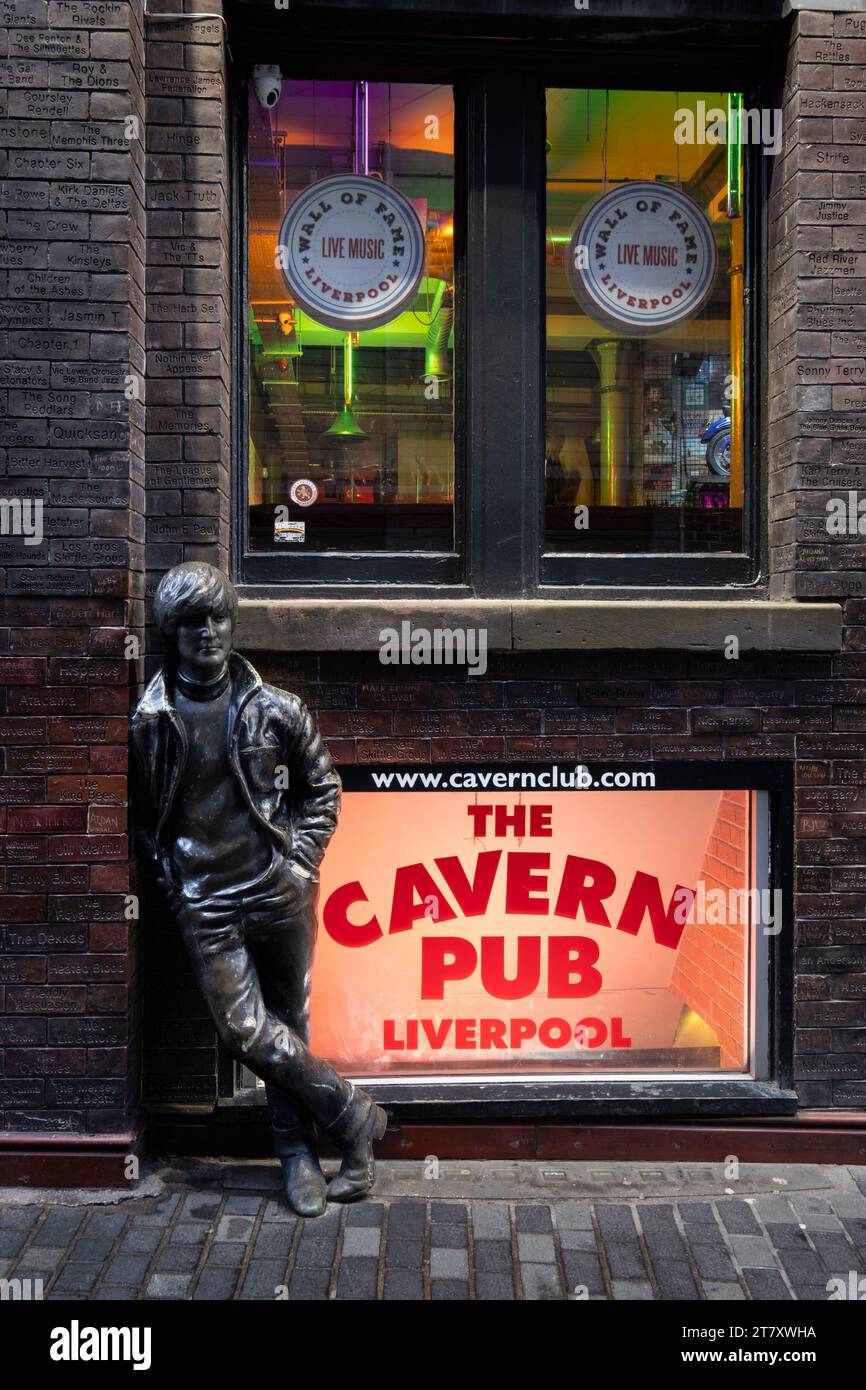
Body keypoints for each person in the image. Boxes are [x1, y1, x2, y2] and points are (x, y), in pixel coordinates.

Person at [130, 561, 387, 1217]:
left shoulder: (277, 709)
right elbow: (145, 820)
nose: (208, 632)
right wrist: (174, 883)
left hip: (279, 891)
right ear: (171, 631)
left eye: (218, 617)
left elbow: (322, 790)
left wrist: (300, 861)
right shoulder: (152, 720)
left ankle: (298, 1156)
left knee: (287, 1026)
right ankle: (355, 1117)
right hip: (207, 902)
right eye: (192, 622)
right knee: (246, 1030)